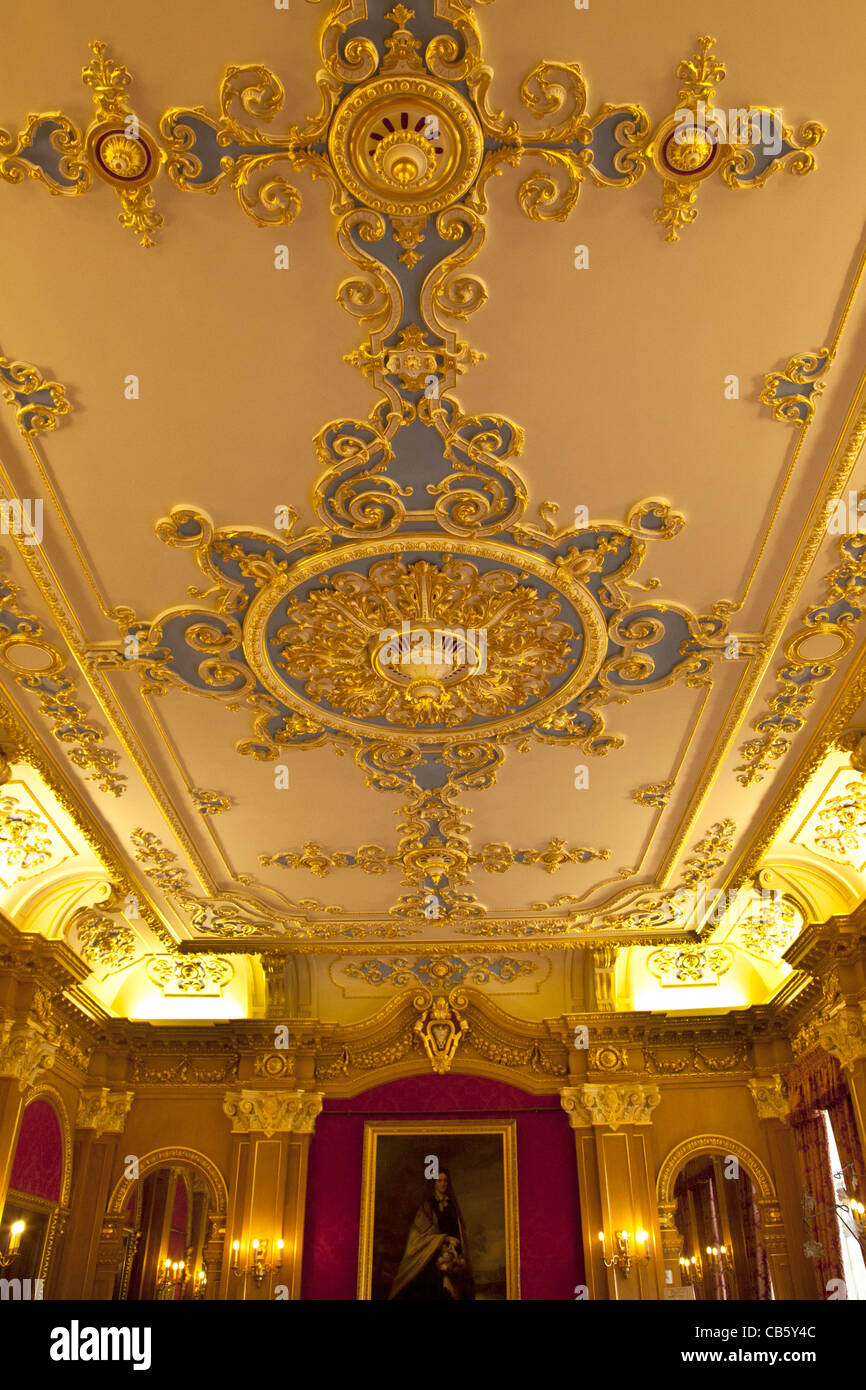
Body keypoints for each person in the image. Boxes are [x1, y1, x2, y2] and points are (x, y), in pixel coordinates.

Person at [388, 1169, 475, 1300]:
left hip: (451, 1253)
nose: (443, 1184)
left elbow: (457, 1230)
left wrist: (454, 1244)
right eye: (440, 1181)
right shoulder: (427, 1206)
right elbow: (421, 1233)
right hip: (431, 1256)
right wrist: (444, 1239)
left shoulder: (452, 1205)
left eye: (445, 1181)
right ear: (434, 1184)